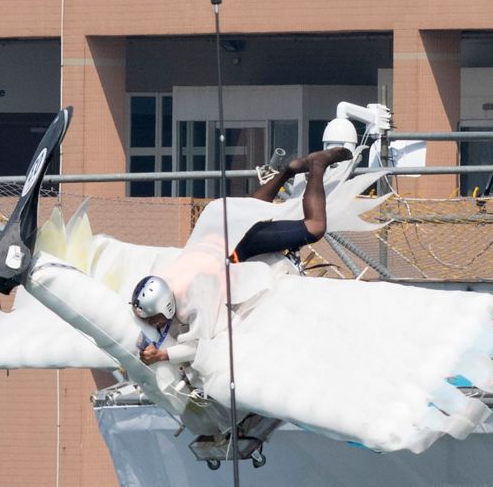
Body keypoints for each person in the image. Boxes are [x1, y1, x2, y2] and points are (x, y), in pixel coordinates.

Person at [132, 147, 352, 368]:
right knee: (251, 208)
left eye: (155, 320)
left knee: (315, 227)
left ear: (167, 306)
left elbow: (202, 344)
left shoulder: (194, 296)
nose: (155, 324)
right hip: (218, 220)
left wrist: (162, 355)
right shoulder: (166, 275)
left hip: (242, 242)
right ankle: (287, 171)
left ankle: (317, 164)